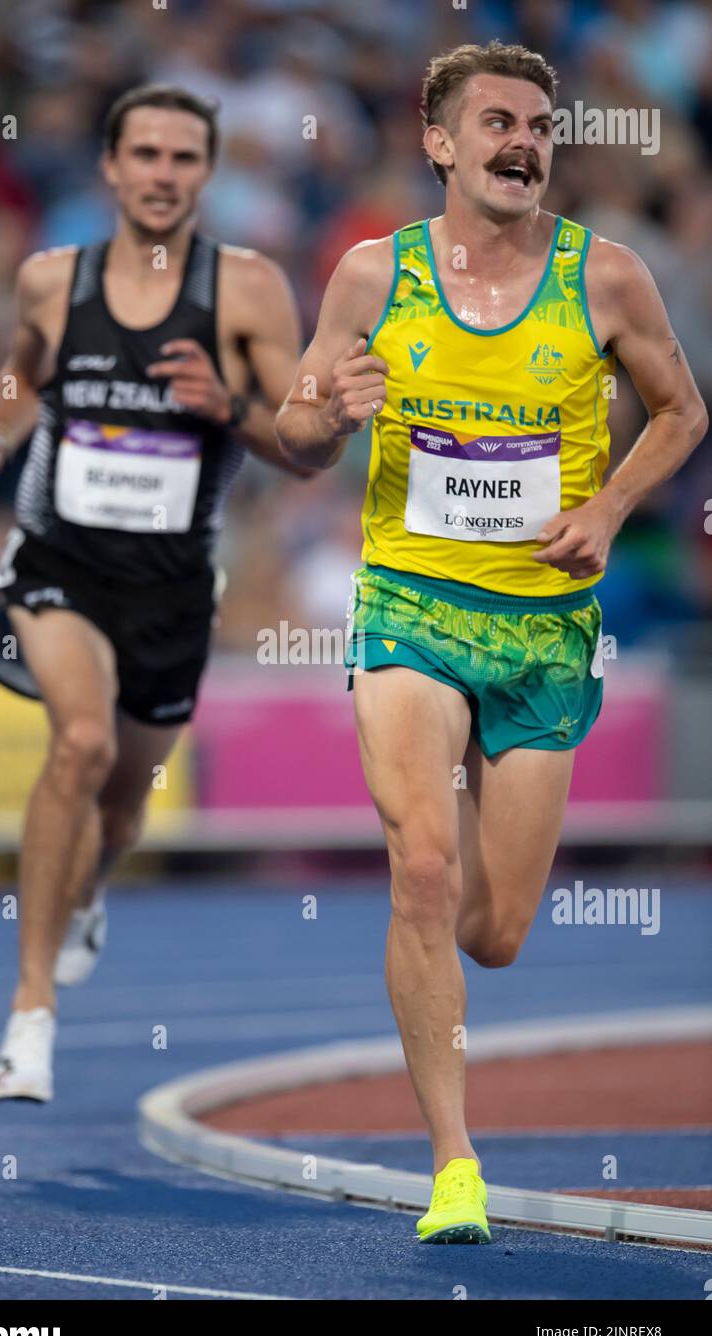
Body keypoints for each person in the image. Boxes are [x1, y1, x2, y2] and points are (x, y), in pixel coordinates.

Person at [275, 41, 708, 1243]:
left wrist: (608, 507)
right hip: (410, 606)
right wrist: (321, 416)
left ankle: (460, 807)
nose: (522, 142)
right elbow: (298, 423)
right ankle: (453, 1163)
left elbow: (684, 410)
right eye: (497, 123)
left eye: (538, 124)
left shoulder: (606, 276)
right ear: (438, 142)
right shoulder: (373, 274)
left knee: (495, 930)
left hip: (543, 632)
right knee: (421, 870)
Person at [0, 85, 307, 1103]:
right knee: (82, 742)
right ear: (109, 166)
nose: (161, 173)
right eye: (143, 153)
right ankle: (30, 1017)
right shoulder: (53, 279)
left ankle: (91, 886)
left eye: (183, 157)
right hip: (60, 565)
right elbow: (20, 375)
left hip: (172, 587)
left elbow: (304, 449)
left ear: (206, 173)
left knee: (124, 811)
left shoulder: (245, 291)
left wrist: (225, 406)